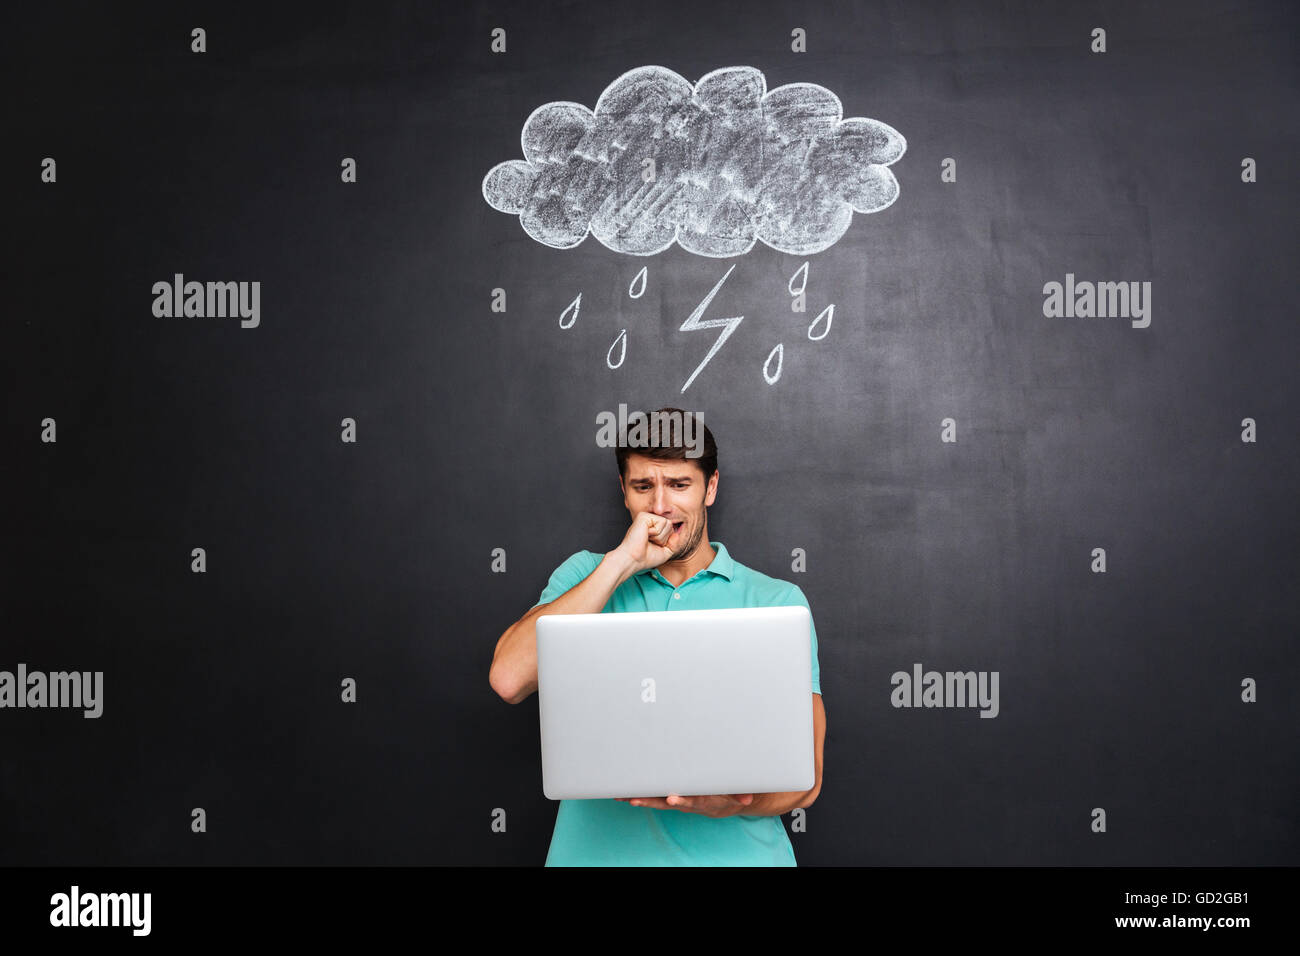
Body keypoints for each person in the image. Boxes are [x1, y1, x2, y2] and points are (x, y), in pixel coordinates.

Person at [488, 408, 826, 866]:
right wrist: (621, 565)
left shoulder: (777, 600)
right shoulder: (585, 575)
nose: (661, 505)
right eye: (643, 486)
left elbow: (805, 781)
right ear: (623, 493)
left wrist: (722, 803)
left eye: (680, 485)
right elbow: (509, 679)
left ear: (711, 487)